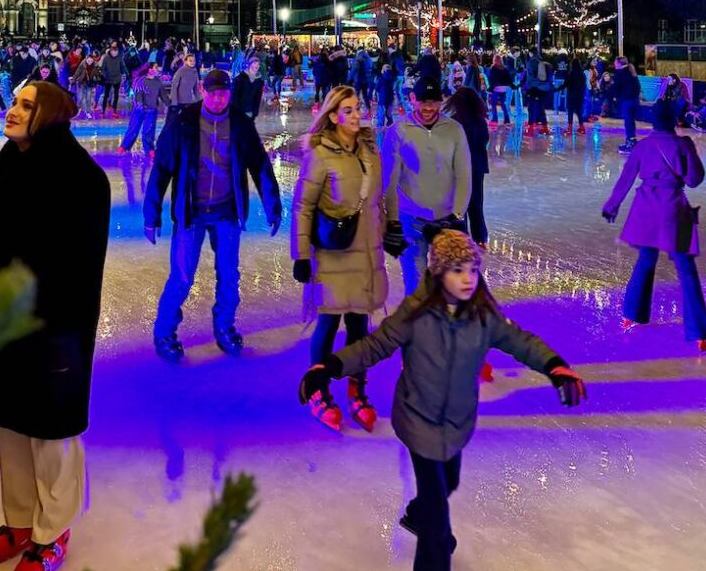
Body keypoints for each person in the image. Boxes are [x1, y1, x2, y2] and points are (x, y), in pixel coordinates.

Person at [298, 229, 587, 571]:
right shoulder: (415, 313)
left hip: (457, 422)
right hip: (419, 421)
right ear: (438, 272)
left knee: (448, 484)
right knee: (438, 532)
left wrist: (555, 367)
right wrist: (329, 367)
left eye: (473, 269)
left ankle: (418, 514)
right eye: (457, 270)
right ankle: (430, 527)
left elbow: (519, 340)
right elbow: (374, 346)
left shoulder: (483, 313)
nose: (468, 279)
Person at [0, 81, 110, 571]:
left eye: (25, 105)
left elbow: (76, 265)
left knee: (50, 431)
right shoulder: (6, 167)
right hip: (0, 322)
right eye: (14, 103)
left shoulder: (81, 178)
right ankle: (18, 519)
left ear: (50, 115)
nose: (12, 111)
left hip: (51, 324)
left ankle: (52, 528)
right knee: (10, 419)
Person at [144, 69, 282, 362]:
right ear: (203, 92)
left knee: (229, 276)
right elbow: (162, 168)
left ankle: (225, 328)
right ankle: (164, 332)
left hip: (226, 211)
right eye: (214, 92)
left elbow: (259, 165)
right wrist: (151, 213)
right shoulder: (183, 121)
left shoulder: (241, 124)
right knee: (181, 277)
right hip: (190, 213)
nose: (220, 98)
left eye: (224, 92)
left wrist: (272, 205)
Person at [291, 86, 387, 431]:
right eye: (347, 110)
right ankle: (319, 391)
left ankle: (357, 389)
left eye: (357, 108)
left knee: (360, 327)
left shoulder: (369, 151)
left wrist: (389, 229)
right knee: (330, 322)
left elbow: (378, 197)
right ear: (333, 116)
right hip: (332, 252)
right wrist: (301, 255)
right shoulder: (321, 155)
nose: (356, 115)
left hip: (366, 249)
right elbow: (303, 206)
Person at [602, 100, 706, 352]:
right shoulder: (682, 145)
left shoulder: (642, 147)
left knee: (646, 259)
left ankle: (631, 314)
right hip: (672, 210)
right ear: (674, 121)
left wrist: (612, 205)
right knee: (686, 269)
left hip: (645, 210)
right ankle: (702, 333)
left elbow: (626, 179)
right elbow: (694, 180)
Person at [382, 77, 472, 296]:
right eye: (423, 101)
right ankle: (419, 327)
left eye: (435, 102)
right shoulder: (398, 131)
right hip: (411, 220)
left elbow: (464, 174)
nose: (429, 107)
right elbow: (389, 180)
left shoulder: (454, 130)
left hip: (447, 219)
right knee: (417, 286)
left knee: (451, 285)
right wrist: (392, 221)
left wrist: (458, 214)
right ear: (413, 99)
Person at [443, 88, 490, 248]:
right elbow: (485, 140)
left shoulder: (455, 122)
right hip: (477, 167)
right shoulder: (480, 120)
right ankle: (480, 237)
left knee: (460, 203)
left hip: (460, 169)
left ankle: (461, 237)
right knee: (476, 203)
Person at [119, 62, 169, 156]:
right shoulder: (141, 81)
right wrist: (140, 106)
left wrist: (170, 105)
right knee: (133, 129)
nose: (157, 69)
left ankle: (150, 149)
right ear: (149, 69)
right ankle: (124, 147)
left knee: (149, 130)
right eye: (155, 67)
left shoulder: (158, 82)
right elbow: (138, 96)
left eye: (157, 67)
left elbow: (163, 96)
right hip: (139, 110)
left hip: (151, 110)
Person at [612, 56, 641, 153]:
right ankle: (632, 141)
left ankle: (630, 144)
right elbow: (637, 87)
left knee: (628, 122)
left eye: (615, 63)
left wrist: (616, 97)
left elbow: (616, 88)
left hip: (627, 102)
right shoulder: (632, 72)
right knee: (631, 122)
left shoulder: (620, 73)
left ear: (619, 64)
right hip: (634, 101)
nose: (614, 65)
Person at [168, 51, 202, 124]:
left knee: (186, 121)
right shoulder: (181, 71)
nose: (192, 62)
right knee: (173, 121)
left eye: (194, 61)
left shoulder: (195, 71)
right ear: (185, 61)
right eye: (190, 60)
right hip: (178, 101)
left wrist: (200, 100)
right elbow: (174, 86)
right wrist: (174, 102)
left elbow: (196, 88)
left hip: (188, 101)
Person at [523, 50, 552, 135]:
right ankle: (545, 127)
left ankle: (530, 127)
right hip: (544, 89)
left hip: (534, 88)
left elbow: (531, 76)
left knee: (531, 107)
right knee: (541, 108)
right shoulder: (543, 62)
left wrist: (526, 87)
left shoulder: (532, 62)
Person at [231, 55, 264, 120]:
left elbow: (258, 98)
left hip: (250, 112)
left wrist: (255, 112)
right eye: (254, 63)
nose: (257, 66)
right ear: (250, 64)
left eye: (258, 64)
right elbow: (234, 96)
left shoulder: (259, 81)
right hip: (239, 111)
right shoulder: (240, 78)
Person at [98, 42, 125, 117]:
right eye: (113, 52)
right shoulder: (106, 58)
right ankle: (103, 111)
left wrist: (124, 73)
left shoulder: (119, 57)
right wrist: (104, 75)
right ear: (111, 51)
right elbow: (103, 68)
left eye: (116, 53)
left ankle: (114, 110)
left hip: (117, 79)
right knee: (106, 95)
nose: (115, 54)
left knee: (116, 95)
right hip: (108, 79)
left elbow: (122, 66)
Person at [70, 54, 100, 119]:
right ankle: (78, 109)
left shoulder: (95, 66)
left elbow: (98, 75)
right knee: (80, 97)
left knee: (88, 98)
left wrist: (97, 80)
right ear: (86, 60)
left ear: (93, 60)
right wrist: (73, 80)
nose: (89, 62)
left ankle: (88, 112)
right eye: (88, 60)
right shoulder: (82, 65)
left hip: (90, 83)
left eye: (91, 61)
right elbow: (77, 73)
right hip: (82, 83)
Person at [564, 58, 588, 135]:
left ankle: (570, 127)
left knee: (570, 111)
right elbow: (584, 86)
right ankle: (582, 127)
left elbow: (566, 84)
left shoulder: (571, 73)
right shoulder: (582, 74)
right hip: (580, 96)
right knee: (578, 111)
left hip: (571, 95)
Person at [487, 54, 512, 126]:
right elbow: (508, 78)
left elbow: (491, 79)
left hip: (495, 88)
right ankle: (507, 119)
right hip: (503, 88)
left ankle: (495, 118)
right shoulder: (504, 68)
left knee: (493, 103)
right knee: (502, 103)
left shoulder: (493, 68)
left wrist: (490, 88)